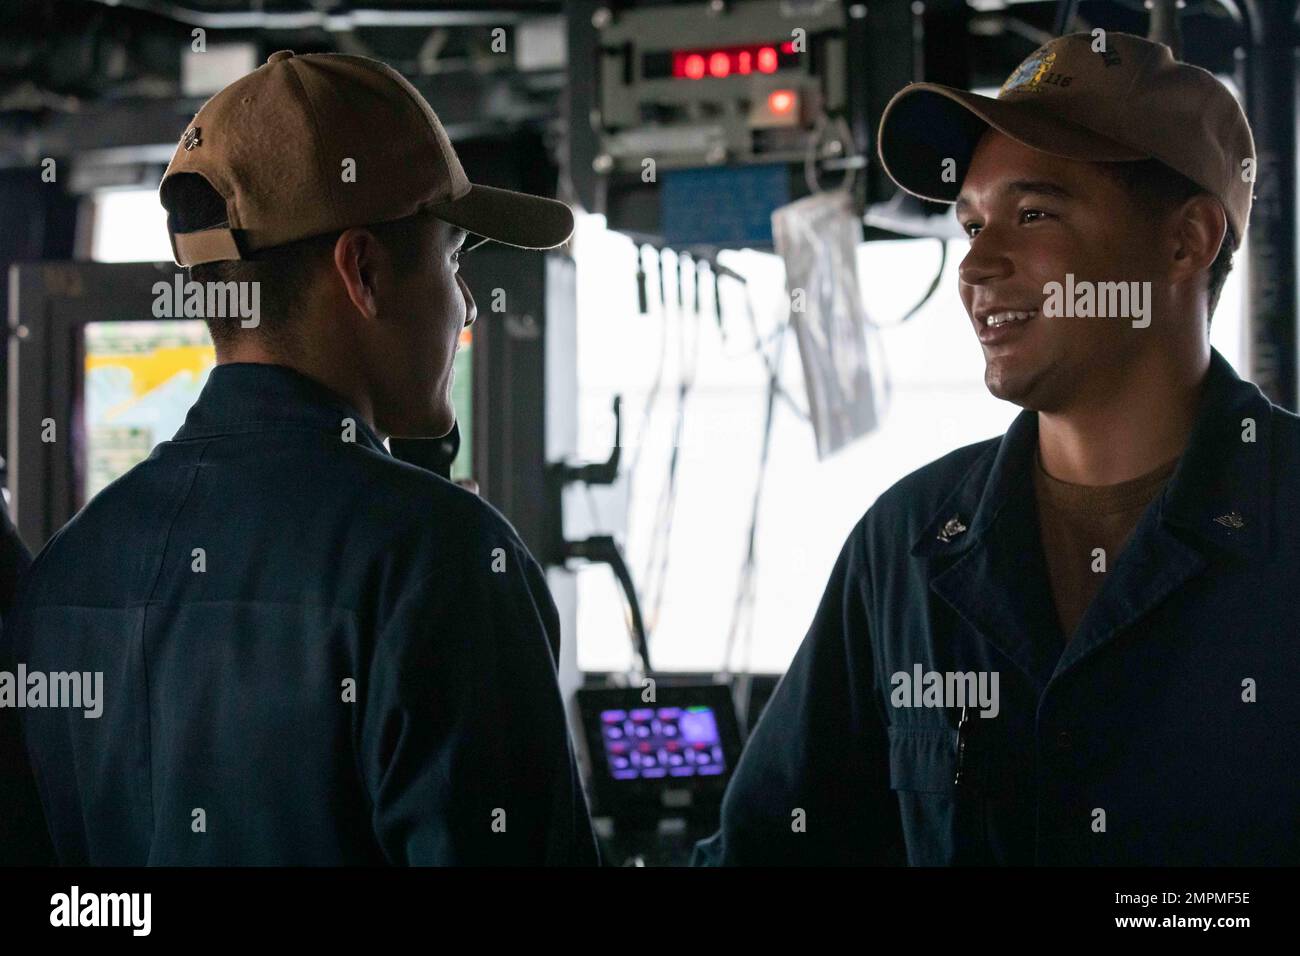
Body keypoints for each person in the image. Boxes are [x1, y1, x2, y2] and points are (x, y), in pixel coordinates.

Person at [694, 31, 1300, 865]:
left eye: (1034, 213)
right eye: (971, 222)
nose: (976, 264)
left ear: (1184, 241)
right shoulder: (906, 547)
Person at [8, 50, 597, 865]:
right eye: (454, 262)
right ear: (363, 272)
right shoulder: (445, 563)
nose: (464, 304)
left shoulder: (63, 575)